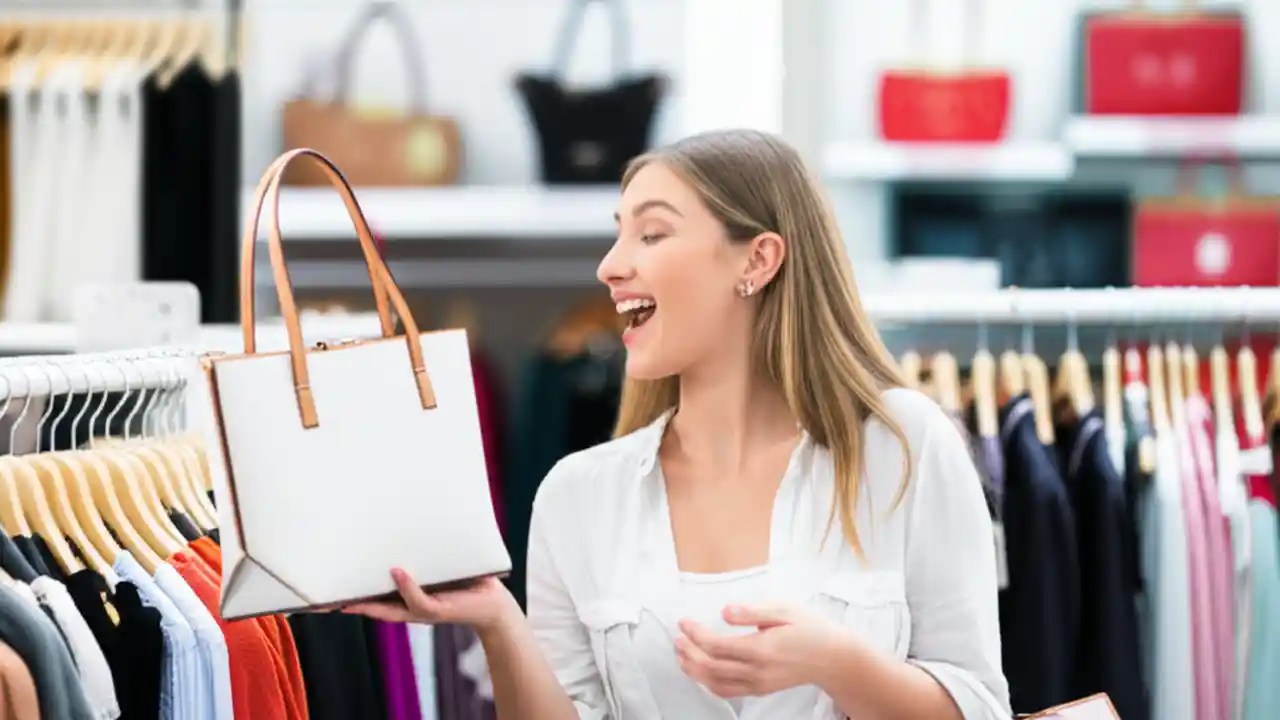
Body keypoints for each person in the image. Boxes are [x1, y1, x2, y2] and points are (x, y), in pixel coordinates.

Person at [345, 129, 1011, 719]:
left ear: (757, 261)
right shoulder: (578, 495)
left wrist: (834, 662)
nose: (609, 266)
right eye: (617, 233)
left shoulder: (902, 446)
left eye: (652, 233)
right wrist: (497, 620)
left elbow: (980, 706)